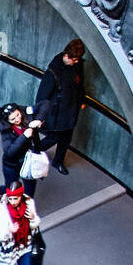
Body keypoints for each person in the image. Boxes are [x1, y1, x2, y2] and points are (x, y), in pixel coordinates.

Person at [35, 38, 86, 175]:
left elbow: (80, 85)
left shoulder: (77, 65)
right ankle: (33, 150)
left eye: (77, 60)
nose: (76, 62)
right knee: (54, 137)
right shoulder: (53, 72)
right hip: (57, 113)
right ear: (66, 55)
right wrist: (40, 116)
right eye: (74, 59)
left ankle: (58, 161)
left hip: (71, 110)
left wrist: (81, 101)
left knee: (66, 139)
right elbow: (42, 96)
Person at [0, 102, 45, 197]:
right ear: (7, 121)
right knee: (11, 187)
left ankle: (27, 204)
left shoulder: (26, 115)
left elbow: (45, 104)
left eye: (18, 115)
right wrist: (24, 136)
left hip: (28, 161)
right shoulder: (6, 131)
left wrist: (39, 120)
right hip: (12, 165)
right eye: (13, 119)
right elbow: (9, 151)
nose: (17, 119)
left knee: (30, 186)